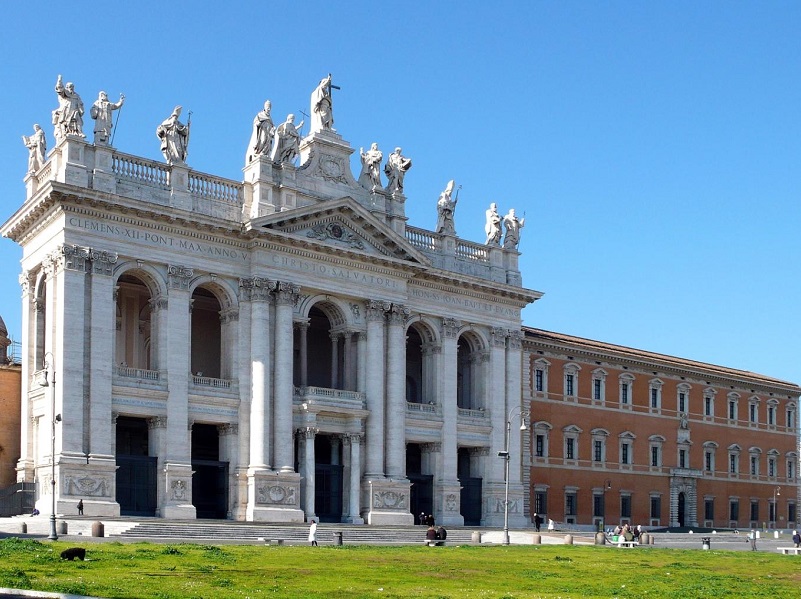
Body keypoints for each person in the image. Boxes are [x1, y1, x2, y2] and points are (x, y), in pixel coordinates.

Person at [53, 75, 85, 140]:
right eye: (69, 86)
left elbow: (80, 103)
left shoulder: (76, 95)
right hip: (66, 111)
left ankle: (78, 132)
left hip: (75, 111)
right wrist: (59, 81)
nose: (71, 88)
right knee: (66, 123)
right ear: (67, 87)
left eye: (72, 87)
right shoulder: (65, 93)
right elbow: (60, 89)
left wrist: (81, 109)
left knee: (78, 121)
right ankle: (67, 132)